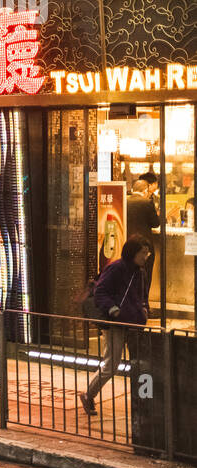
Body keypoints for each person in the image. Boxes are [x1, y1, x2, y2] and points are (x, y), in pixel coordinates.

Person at [81, 239, 151, 416]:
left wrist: (144, 309)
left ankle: (142, 404)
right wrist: (113, 310)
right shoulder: (116, 268)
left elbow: (142, 295)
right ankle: (89, 394)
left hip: (133, 322)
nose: (145, 256)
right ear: (132, 252)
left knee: (137, 363)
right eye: (143, 252)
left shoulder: (140, 272)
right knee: (112, 363)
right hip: (115, 323)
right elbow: (101, 291)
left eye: (147, 252)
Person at [126, 178, 159, 297]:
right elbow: (156, 223)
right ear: (145, 190)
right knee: (145, 275)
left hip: (128, 244)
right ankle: (144, 304)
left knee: (129, 274)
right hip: (144, 245)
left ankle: (130, 301)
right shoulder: (147, 202)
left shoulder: (125, 201)